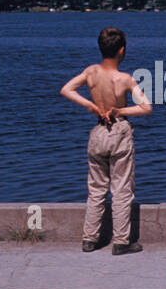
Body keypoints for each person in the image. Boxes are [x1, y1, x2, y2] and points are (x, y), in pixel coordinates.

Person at [61, 27, 152, 255]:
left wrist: (91, 106)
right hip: (119, 131)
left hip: (98, 133)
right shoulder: (125, 79)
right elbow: (146, 108)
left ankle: (89, 239)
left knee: (96, 188)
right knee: (121, 188)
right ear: (122, 51)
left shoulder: (91, 72)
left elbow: (67, 89)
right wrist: (120, 110)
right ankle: (121, 241)